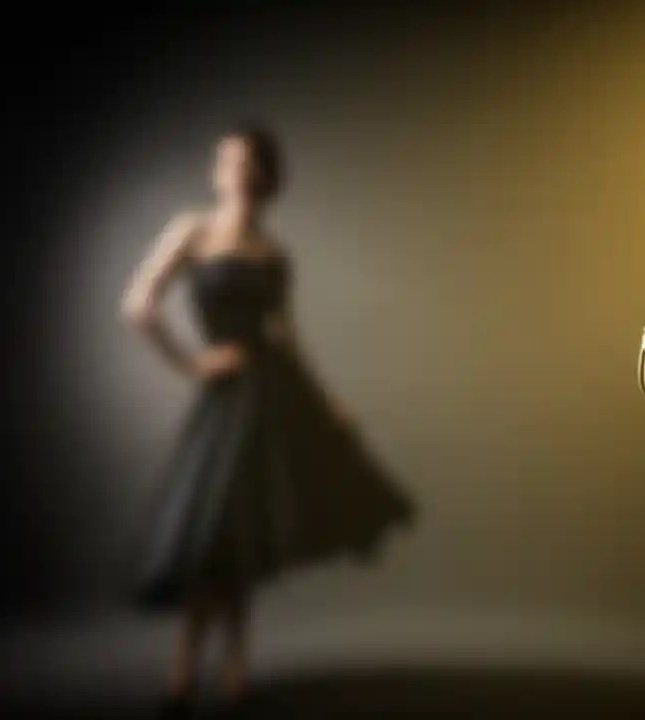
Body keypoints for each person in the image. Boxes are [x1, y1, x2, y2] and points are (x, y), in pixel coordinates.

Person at [121, 127, 413, 715]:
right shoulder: (192, 231)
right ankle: (197, 673)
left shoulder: (273, 253)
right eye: (230, 160)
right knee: (214, 538)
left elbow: (286, 338)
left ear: (268, 178)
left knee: (239, 537)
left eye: (251, 163)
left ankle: (223, 673)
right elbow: (138, 306)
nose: (240, 172)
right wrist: (192, 363)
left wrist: (328, 403)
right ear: (217, 169)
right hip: (227, 399)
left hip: (276, 398)